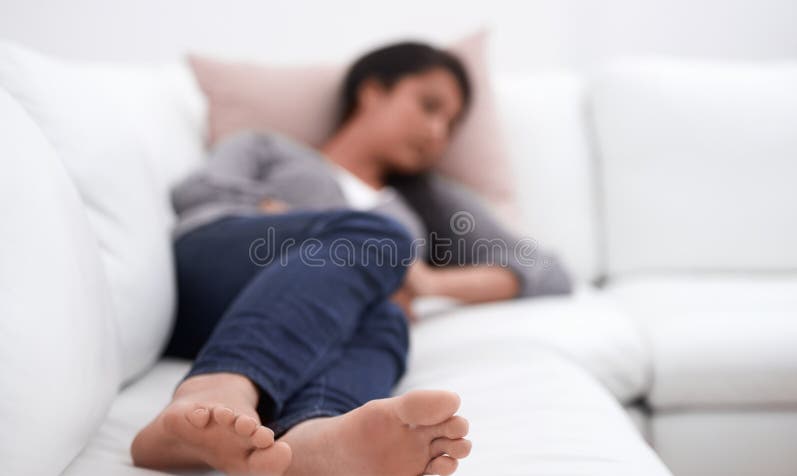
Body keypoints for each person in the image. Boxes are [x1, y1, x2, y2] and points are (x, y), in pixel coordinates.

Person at [131, 41, 572, 476]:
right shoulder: (269, 148)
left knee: (387, 314)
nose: (438, 132)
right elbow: (199, 192)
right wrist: (311, 228)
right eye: (428, 106)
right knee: (381, 238)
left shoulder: (422, 202)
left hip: (323, 323)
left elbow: (546, 269)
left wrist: (428, 284)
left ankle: (310, 439)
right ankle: (212, 390)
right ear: (373, 91)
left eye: (450, 124)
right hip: (214, 274)